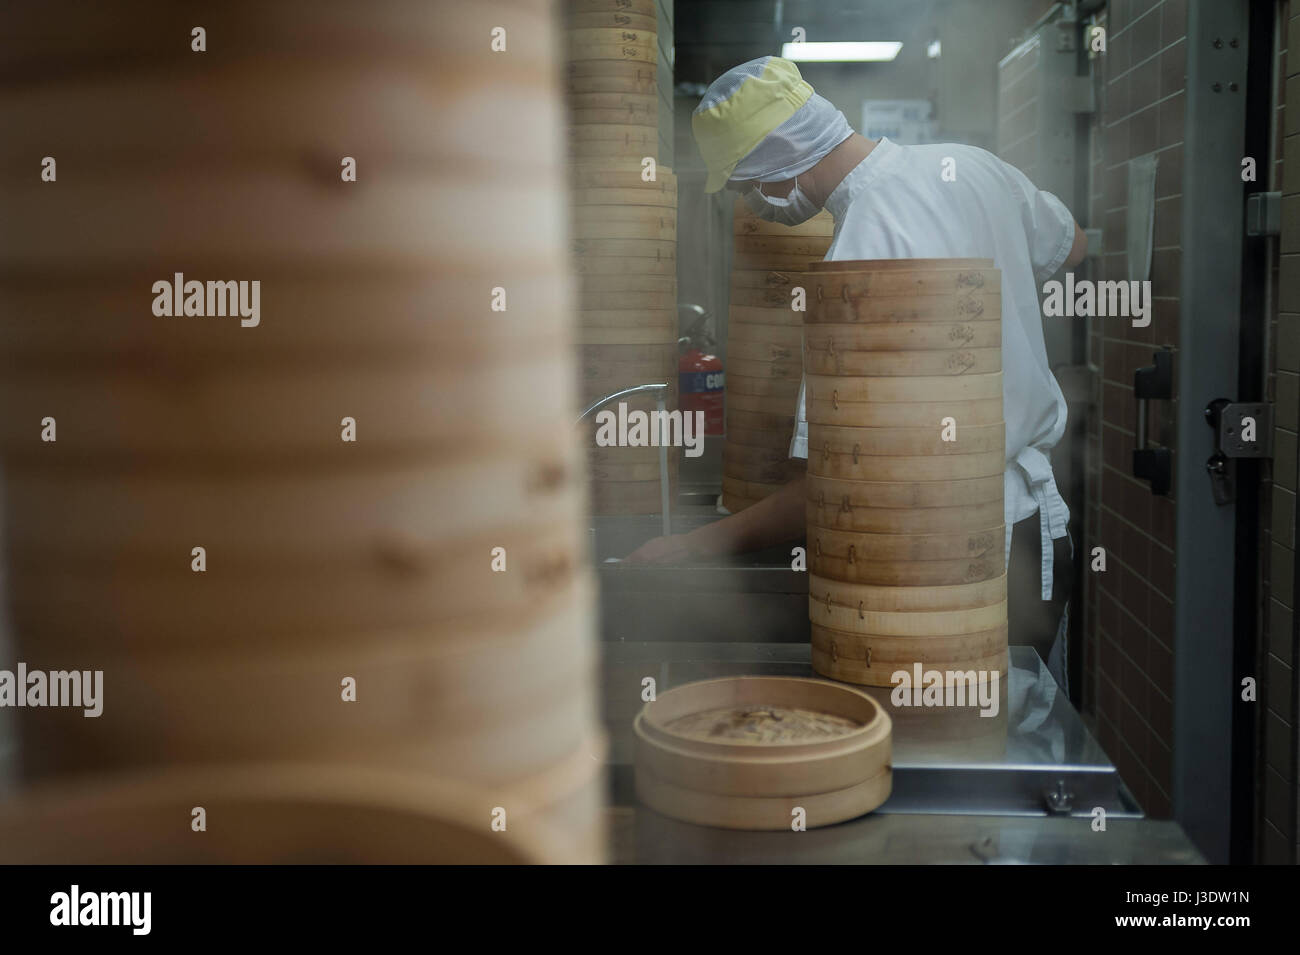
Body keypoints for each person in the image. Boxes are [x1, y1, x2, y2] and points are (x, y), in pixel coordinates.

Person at [625, 56, 1087, 682]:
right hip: (1035, 525)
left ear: (777, 166)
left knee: (940, 744)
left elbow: (836, 484)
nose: (755, 206)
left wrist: (693, 546)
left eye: (744, 187)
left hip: (949, 551)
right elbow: (1071, 243)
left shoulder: (857, 260)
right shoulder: (971, 165)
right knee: (1013, 733)